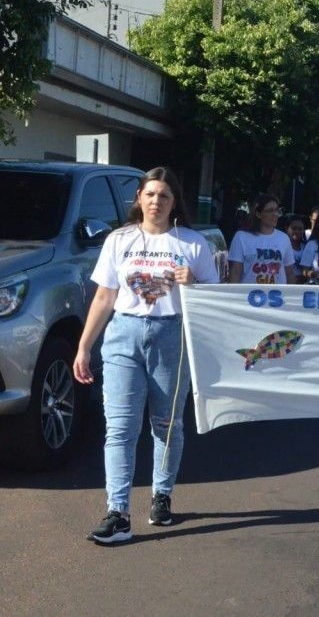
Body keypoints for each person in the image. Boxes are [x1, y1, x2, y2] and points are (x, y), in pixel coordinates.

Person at [73, 167, 220, 544]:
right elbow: (105, 296)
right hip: (123, 334)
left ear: (175, 204)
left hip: (173, 335)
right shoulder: (119, 240)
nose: (156, 201)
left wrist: (195, 283)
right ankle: (118, 512)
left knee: (166, 425)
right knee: (120, 428)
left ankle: (161, 495)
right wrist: (84, 346)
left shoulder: (192, 243)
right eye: (150, 194)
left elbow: (214, 301)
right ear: (139, 198)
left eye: (164, 196)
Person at [227, 194, 296, 285]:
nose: (275, 215)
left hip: (277, 296)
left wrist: (291, 296)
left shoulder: (284, 238)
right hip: (248, 296)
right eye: (270, 211)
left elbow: (290, 272)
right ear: (258, 214)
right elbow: (235, 271)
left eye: (277, 210)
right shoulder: (241, 237)